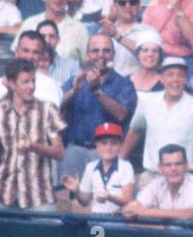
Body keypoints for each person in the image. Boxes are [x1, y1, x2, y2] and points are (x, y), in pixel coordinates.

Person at [0, 57, 66, 211]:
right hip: (6, 193)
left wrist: (34, 147)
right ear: (11, 83)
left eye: (33, 81)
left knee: (41, 234)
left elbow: (59, 153)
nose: (31, 86)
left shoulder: (48, 110)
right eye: (26, 82)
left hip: (39, 195)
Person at [57, 33, 137, 182]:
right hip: (74, 150)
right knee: (68, 200)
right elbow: (55, 108)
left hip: (107, 153)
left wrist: (97, 91)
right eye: (95, 51)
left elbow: (121, 114)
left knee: (104, 202)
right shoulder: (75, 80)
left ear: (113, 54)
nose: (101, 55)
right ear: (87, 54)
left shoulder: (124, 84)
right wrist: (73, 90)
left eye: (106, 51)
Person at [122, 56, 193, 174]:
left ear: (186, 80)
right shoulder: (147, 101)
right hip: (152, 175)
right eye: (170, 75)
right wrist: (120, 161)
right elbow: (135, 131)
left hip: (186, 177)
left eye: (180, 75)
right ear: (161, 79)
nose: (175, 79)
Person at [123, 142, 193, 221]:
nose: (173, 168)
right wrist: (130, 209)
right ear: (160, 168)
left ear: (186, 166)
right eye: (168, 165)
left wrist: (144, 211)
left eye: (178, 164)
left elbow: (190, 214)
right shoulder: (156, 184)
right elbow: (133, 207)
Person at [63, 121, 135, 214]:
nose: (108, 147)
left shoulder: (125, 166)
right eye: (104, 143)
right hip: (96, 218)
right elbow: (85, 201)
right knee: (95, 229)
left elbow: (127, 200)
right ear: (96, 146)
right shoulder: (90, 167)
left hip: (119, 220)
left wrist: (110, 197)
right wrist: (77, 191)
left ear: (120, 145)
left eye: (113, 143)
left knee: (116, 228)